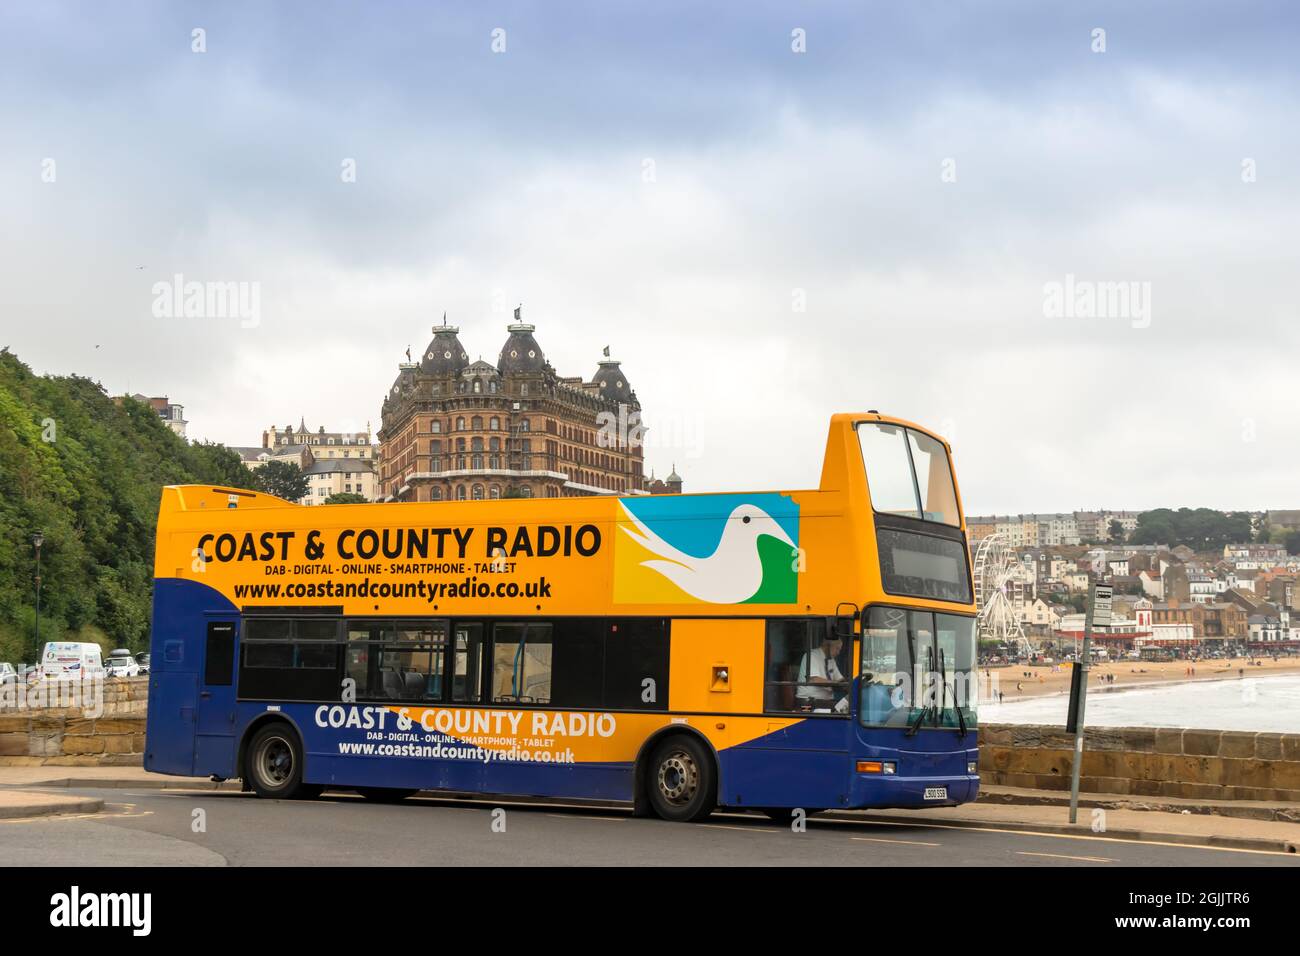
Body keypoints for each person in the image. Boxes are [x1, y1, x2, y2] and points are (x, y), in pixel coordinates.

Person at [798, 632, 848, 713]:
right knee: (843, 710)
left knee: (846, 706)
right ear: (828, 646)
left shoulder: (831, 660)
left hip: (824, 701)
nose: (838, 653)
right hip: (808, 702)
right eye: (837, 648)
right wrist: (836, 683)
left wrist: (850, 686)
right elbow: (814, 680)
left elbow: (840, 679)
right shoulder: (812, 656)